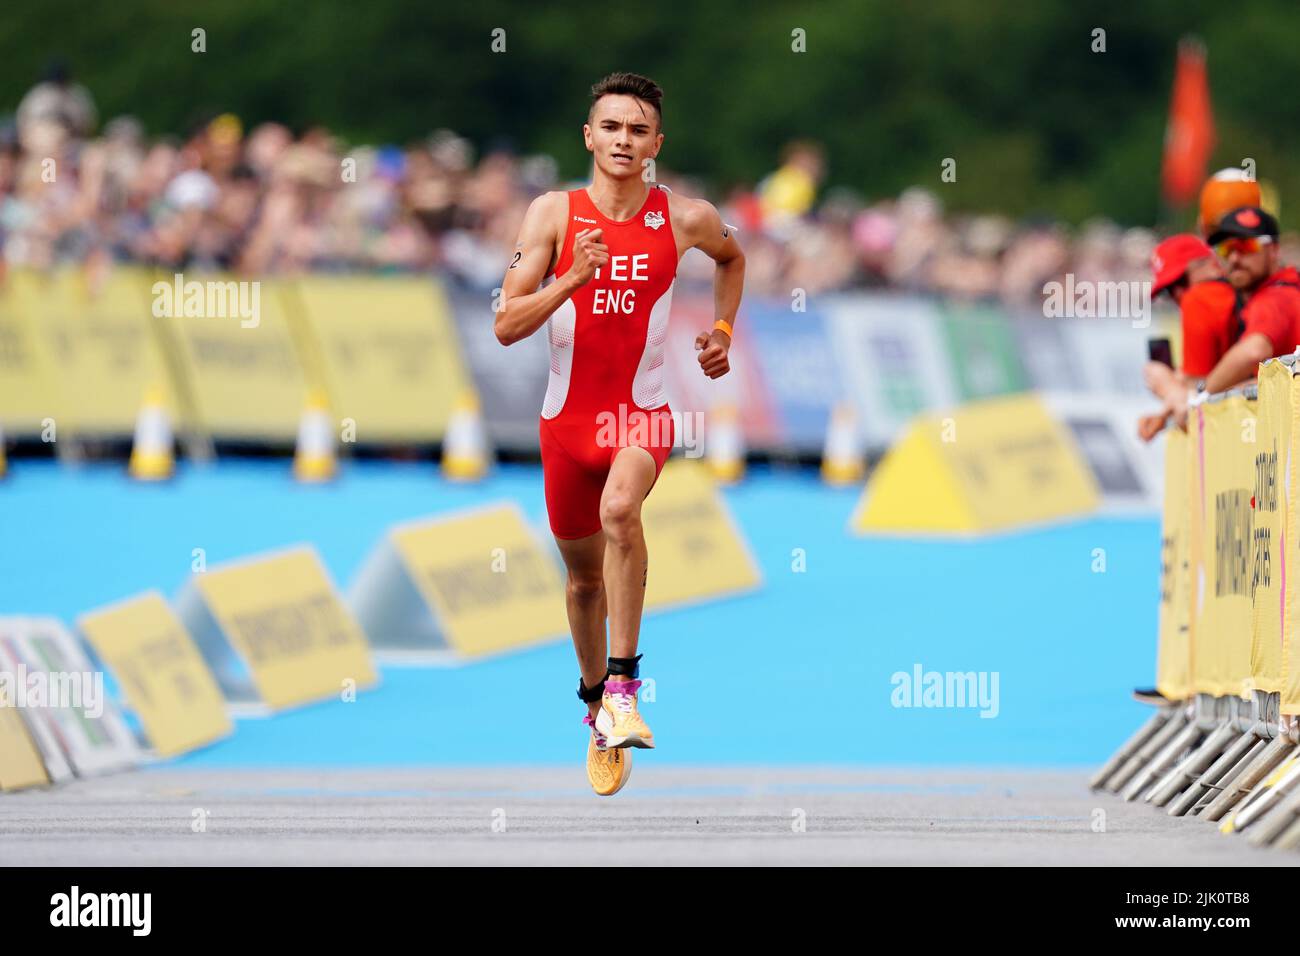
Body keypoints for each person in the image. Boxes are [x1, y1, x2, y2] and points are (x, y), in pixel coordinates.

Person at [494, 72, 745, 796]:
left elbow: (733, 258)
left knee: (619, 513)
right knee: (580, 582)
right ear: (589, 137)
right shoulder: (551, 215)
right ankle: (596, 703)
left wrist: (722, 329)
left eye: (638, 131)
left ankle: (628, 688)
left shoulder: (687, 217)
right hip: (565, 426)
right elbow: (507, 326)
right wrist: (572, 276)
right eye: (611, 128)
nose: (623, 141)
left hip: (639, 413)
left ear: (656, 144)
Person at [1137, 234, 1236, 442]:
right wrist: (1164, 414)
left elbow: (1191, 410)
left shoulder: (1199, 299)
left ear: (1210, 264)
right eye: (1169, 290)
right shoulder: (1238, 292)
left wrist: (1168, 387)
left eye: (1180, 281)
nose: (1179, 294)